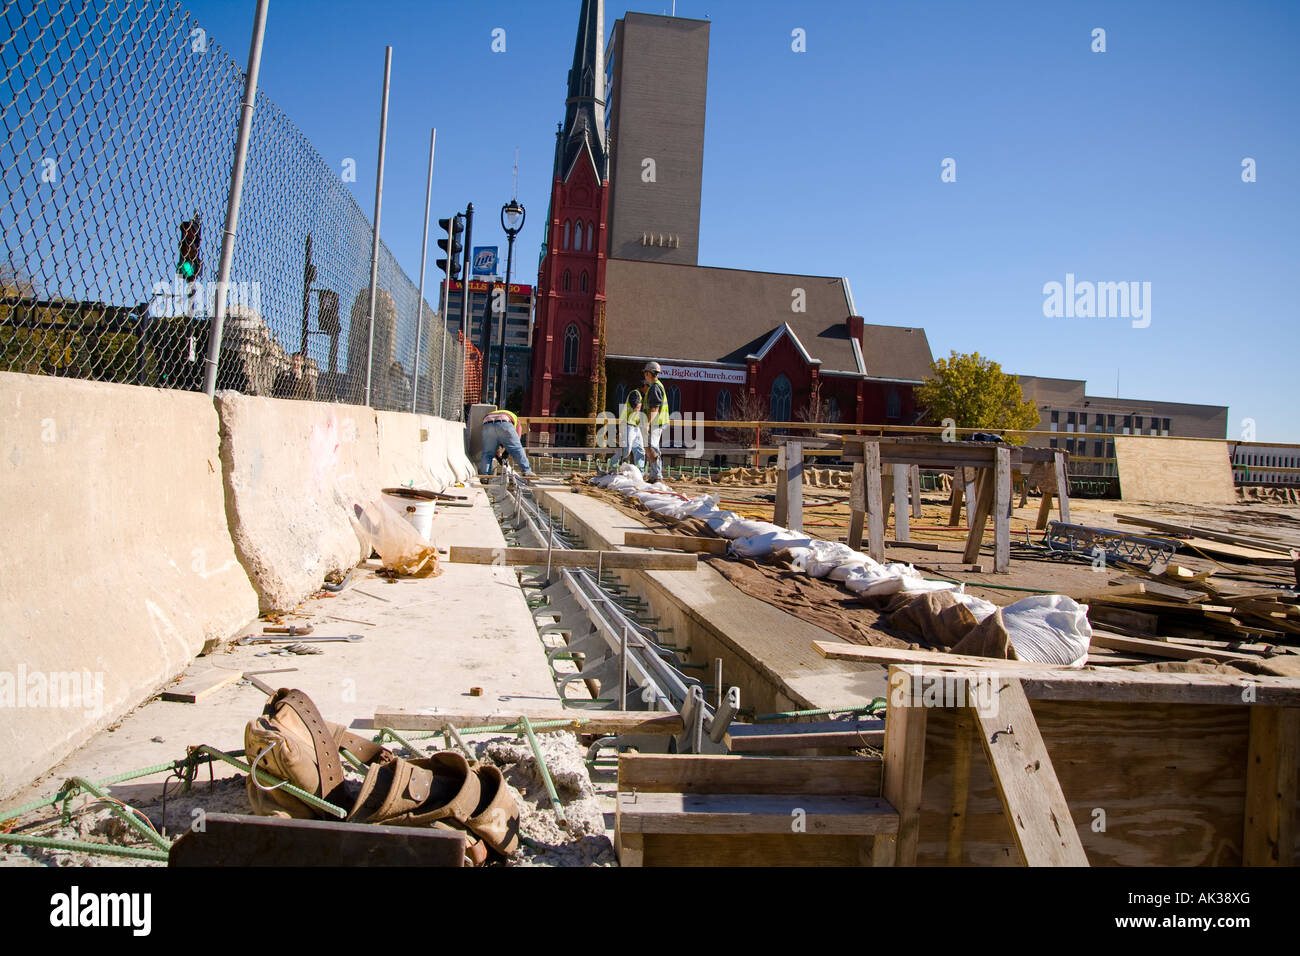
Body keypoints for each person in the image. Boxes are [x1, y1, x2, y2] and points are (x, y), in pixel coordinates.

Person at [479, 407, 534, 477]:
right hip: (505, 422)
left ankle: (485, 476)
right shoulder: (517, 423)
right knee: (517, 449)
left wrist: (498, 455)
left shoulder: (502, 413)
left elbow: (494, 443)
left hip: (487, 423)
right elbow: (517, 441)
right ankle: (526, 471)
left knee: (487, 454)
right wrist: (507, 452)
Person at [642, 361, 669, 481]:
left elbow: (654, 408)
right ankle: (654, 475)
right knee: (651, 447)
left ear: (649, 373)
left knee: (652, 447)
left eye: (645, 373)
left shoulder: (655, 387)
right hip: (658, 422)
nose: (644, 375)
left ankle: (657, 475)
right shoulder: (657, 386)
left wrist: (647, 423)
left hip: (656, 422)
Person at [612, 387, 646, 471]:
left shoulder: (640, 396)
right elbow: (635, 407)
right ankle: (612, 464)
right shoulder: (635, 393)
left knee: (640, 450)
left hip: (635, 426)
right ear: (644, 386)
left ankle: (640, 473)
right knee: (626, 450)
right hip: (628, 425)